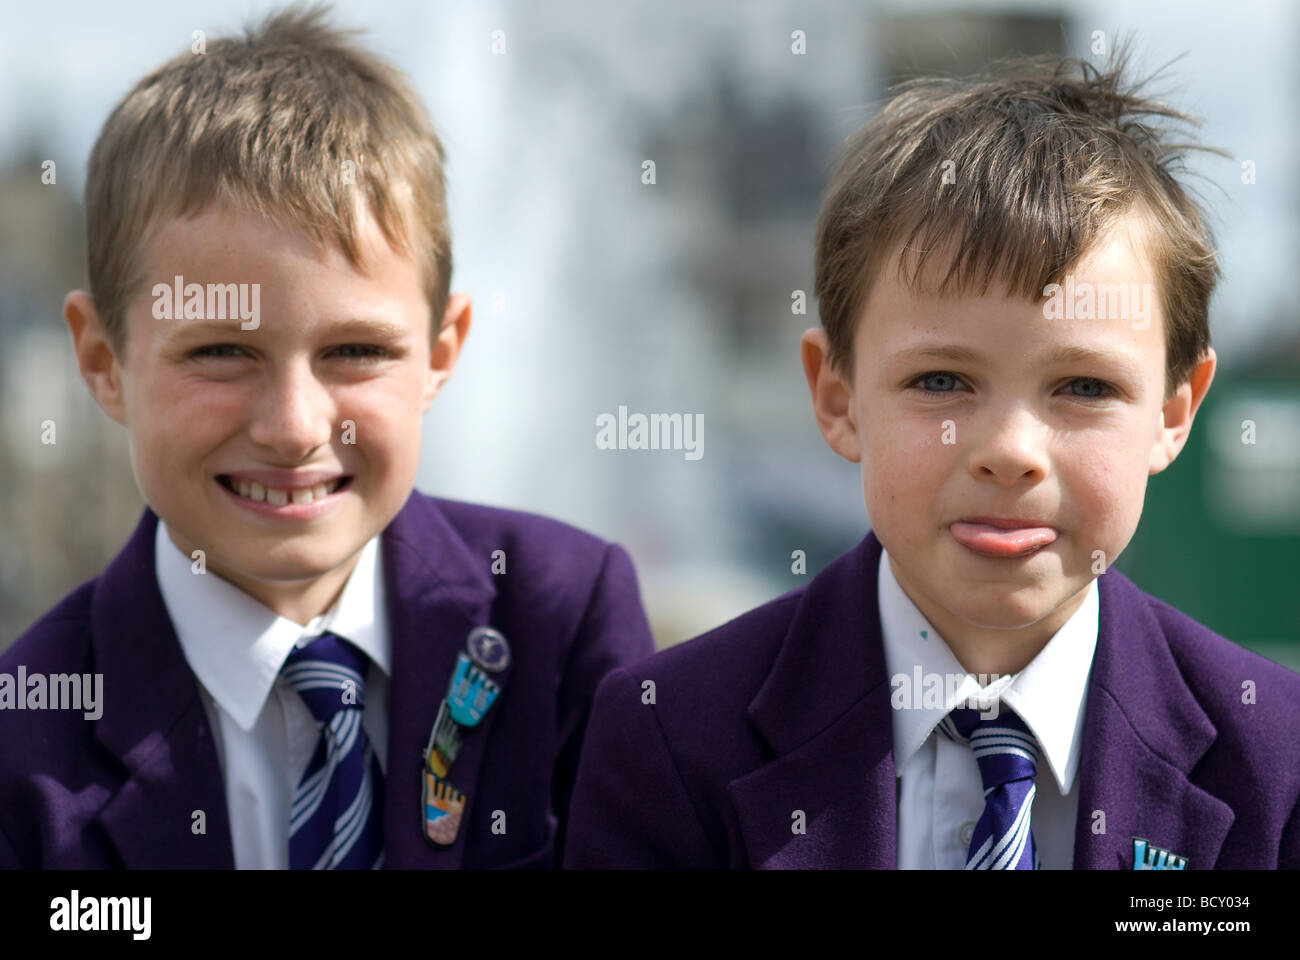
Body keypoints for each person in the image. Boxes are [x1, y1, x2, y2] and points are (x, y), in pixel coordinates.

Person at [563, 49, 1300, 869]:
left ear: (1173, 411)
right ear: (838, 399)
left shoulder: (1277, 758)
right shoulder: (670, 738)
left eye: (1084, 387)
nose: (1010, 453)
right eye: (942, 381)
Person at [0, 4, 653, 869]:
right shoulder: (25, 747)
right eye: (222, 353)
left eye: (356, 351)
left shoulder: (564, 626)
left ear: (440, 353)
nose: (294, 426)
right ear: (103, 359)